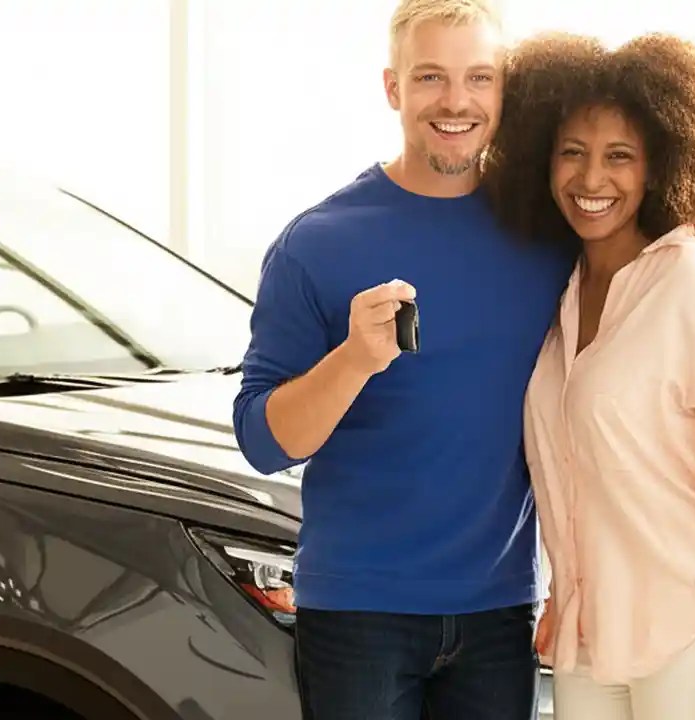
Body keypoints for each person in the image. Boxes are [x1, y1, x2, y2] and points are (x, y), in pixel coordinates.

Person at [231, 1, 574, 718]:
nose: (456, 102)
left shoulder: (546, 235)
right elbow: (264, 442)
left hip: (499, 613)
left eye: (479, 78)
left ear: (504, 89)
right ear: (394, 89)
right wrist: (355, 358)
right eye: (431, 78)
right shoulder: (317, 244)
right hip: (359, 615)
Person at [486, 31, 695, 720]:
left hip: (691, 636)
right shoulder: (560, 293)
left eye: (618, 157)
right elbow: (571, 470)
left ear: (658, 167)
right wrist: (565, 600)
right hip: (588, 643)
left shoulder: (694, 282)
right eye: (572, 153)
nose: (591, 180)